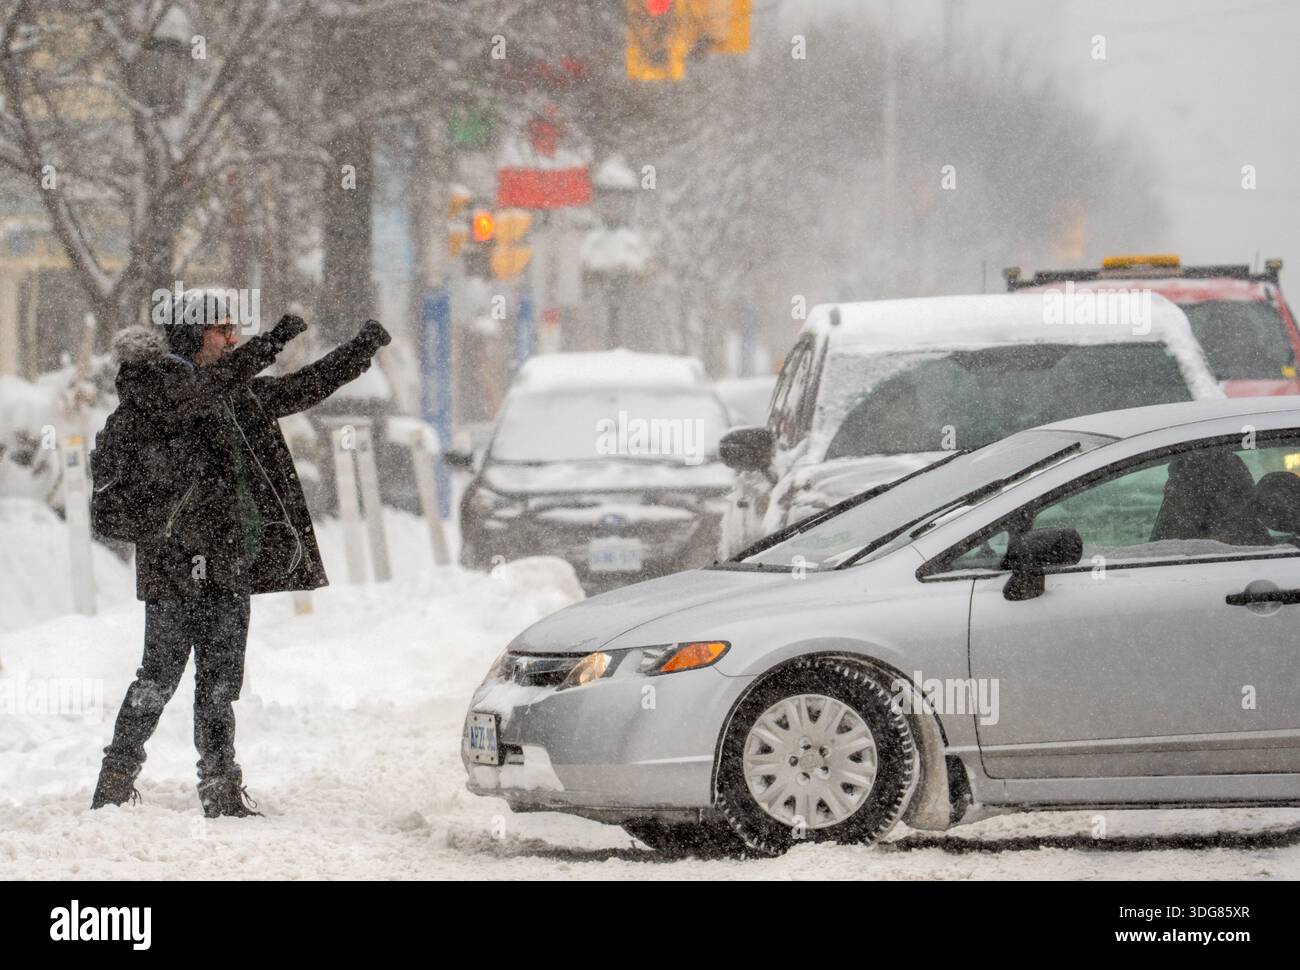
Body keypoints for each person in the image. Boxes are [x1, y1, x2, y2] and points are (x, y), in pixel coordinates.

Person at [90, 291, 391, 817]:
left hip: (227, 557)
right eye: (221, 330)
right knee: (159, 675)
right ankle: (114, 781)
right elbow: (197, 395)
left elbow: (300, 389)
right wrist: (273, 339)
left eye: (234, 330)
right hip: (173, 561)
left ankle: (221, 788)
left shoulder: (225, 391)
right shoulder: (159, 390)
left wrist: (358, 351)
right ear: (188, 335)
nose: (232, 339)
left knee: (221, 681)